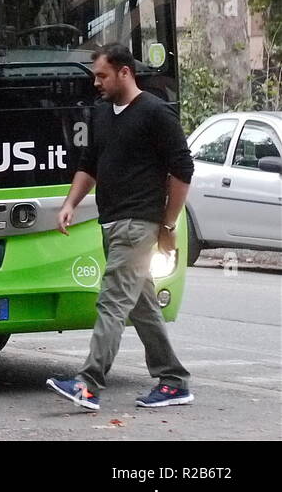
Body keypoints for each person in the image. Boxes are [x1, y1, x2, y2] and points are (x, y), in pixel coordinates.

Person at [47, 43, 195, 412]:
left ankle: (89, 383)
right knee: (142, 305)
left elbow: (182, 170)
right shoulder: (101, 113)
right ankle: (174, 381)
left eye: (102, 75)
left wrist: (167, 221)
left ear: (124, 73)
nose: (96, 82)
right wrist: (70, 203)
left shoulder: (155, 113)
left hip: (137, 223)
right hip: (111, 222)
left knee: (112, 301)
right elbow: (89, 164)